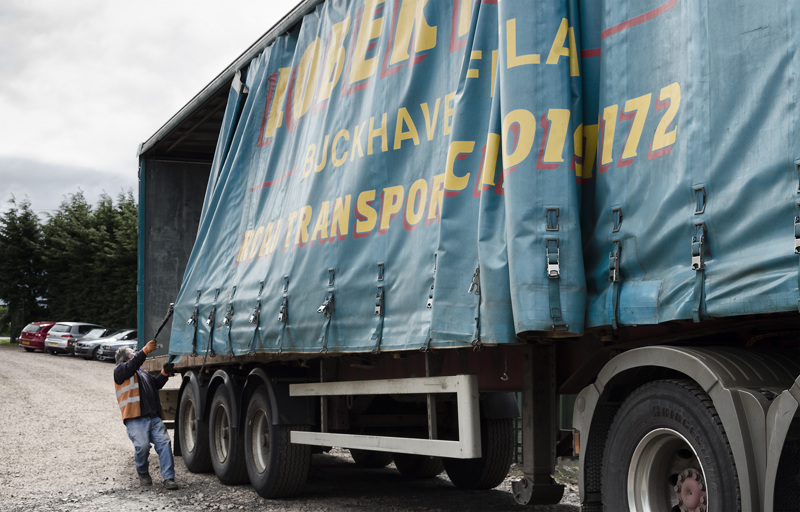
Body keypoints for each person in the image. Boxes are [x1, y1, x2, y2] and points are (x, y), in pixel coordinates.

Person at [114, 339, 178, 490]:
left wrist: (164, 373)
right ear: (127, 357)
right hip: (135, 418)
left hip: (153, 417)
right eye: (133, 353)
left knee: (164, 444)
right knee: (142, 447)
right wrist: (144, 351)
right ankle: (142, 472)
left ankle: (169, 478)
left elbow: (156, 385)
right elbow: (132, 364)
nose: (135, 355)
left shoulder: (142, 373)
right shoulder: (120, 370)